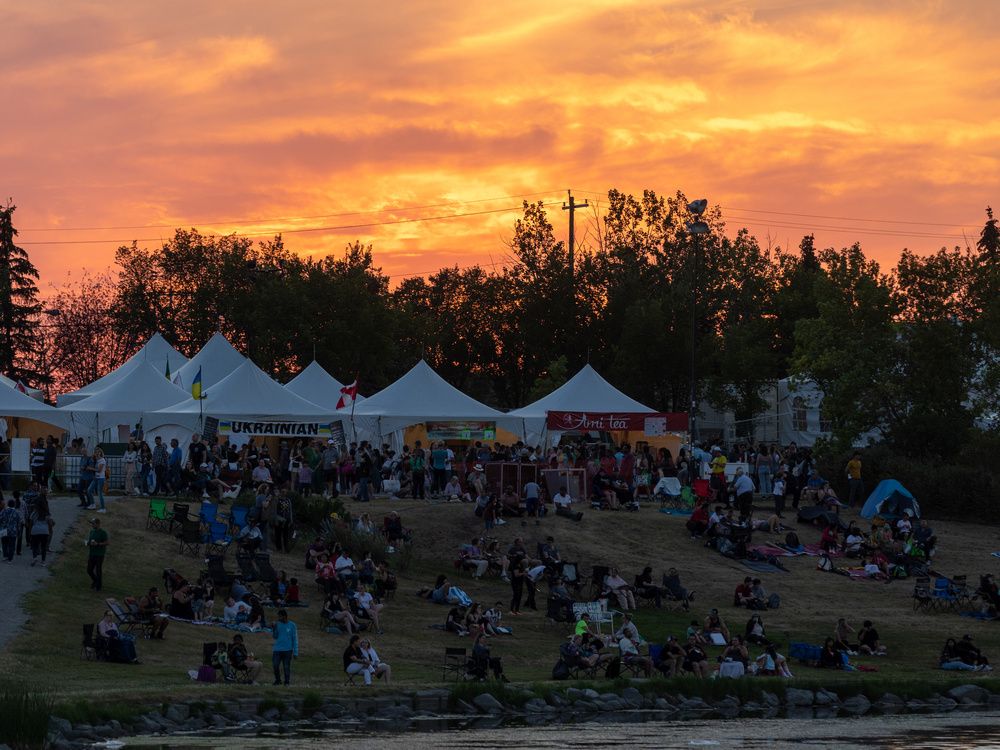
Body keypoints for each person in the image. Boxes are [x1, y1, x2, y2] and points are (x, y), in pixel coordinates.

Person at [271, 609, 298, 685]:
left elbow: (295, 639)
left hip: (288, 650)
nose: (278, 618)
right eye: (278, 616)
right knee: (275, 665)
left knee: (286, 667)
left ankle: (287, 682)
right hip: (277, 649)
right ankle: (278, 680)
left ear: (285, 616)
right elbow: (275, 636)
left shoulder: (292, 625)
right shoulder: (278, 624)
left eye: (280, 617)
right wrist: (274, 628)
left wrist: (295, 652)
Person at [85, 517, 109, 591]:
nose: (92, 525)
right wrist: (88, 543)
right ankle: (95, 580)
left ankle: (98, 586)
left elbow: (107, 542)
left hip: (99, 554)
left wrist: (98, 544)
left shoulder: (103, 533)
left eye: (93, 523)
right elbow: (89, 541)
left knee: (98, 570)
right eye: (91, 523)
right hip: (92, 553)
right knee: (89, 570)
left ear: (98, 524)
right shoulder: (92, 532)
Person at [28, 494, 51, 567]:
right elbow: (50, 523)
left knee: (35, 546)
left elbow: (31, 523)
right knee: (43, 547)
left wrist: (29, 533)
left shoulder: (34, 513)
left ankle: (35, 558)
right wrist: (49, 531)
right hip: (44, 531)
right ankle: (43, 562)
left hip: (35, 531)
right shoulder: (46, 513)